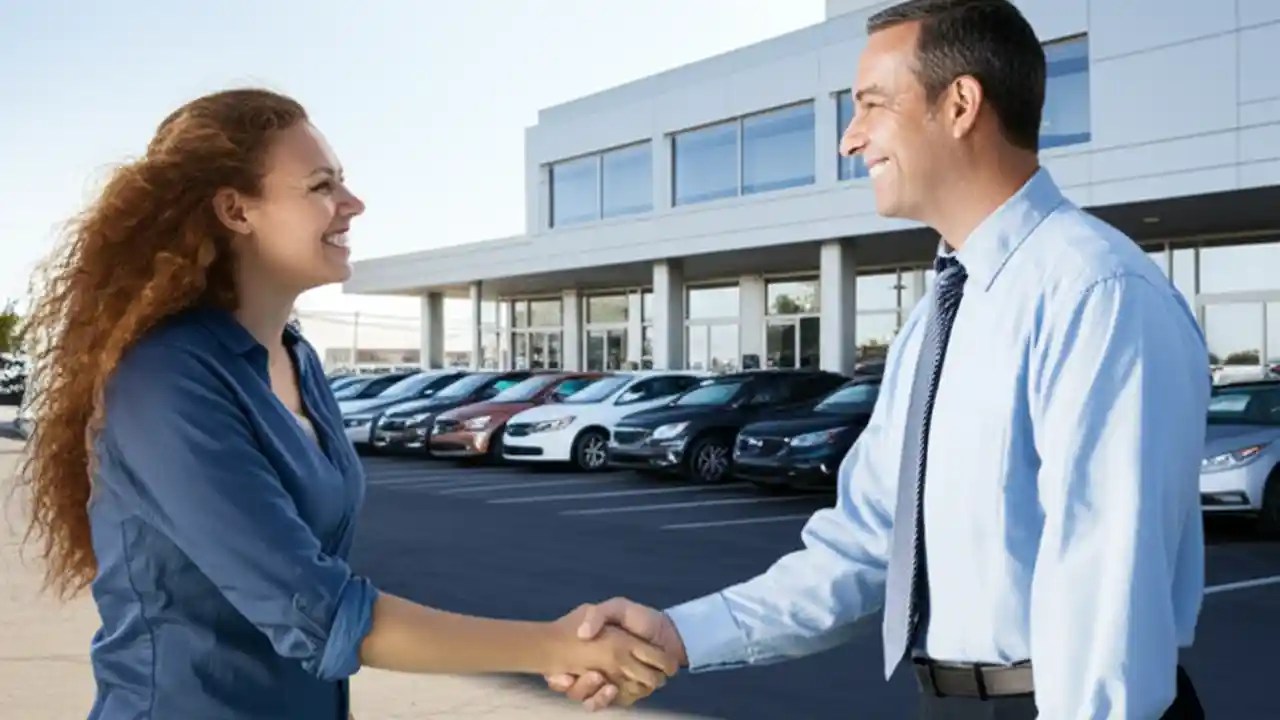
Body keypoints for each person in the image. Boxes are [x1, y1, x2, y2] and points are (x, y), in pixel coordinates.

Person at [546, 1, 1210, 718]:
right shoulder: (934, 321)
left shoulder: (1096, 292)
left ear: (960, 103)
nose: (849, 140)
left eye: (870, 105)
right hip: (953, 703)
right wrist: (678, 636)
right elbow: (863, 551)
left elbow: (1106, 602)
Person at [15, 88, 677, 720]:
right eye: (321, 185)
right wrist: (556, 645)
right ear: (236, 211)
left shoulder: (300, 359)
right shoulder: (165, 379)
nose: (352, 203)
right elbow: (320, 612)